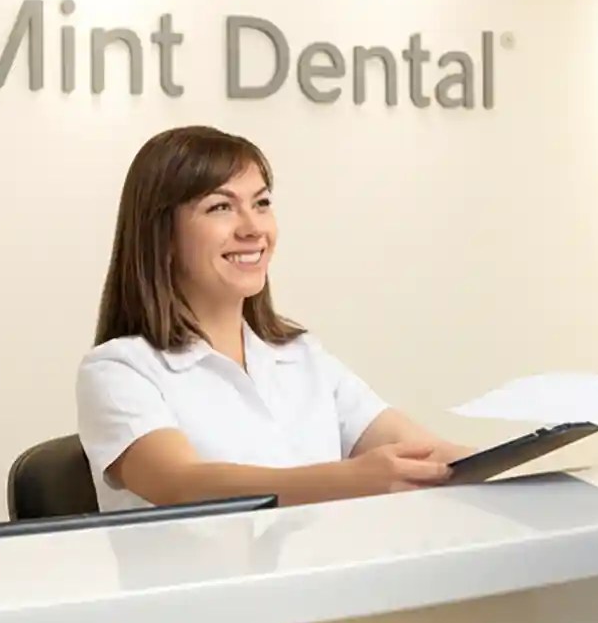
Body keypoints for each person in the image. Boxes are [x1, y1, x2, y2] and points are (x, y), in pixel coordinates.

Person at [76, 125, 471, 512]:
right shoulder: (118, 370)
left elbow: (425, 453)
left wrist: (521, 460)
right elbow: (182, 483)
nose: (253, 228)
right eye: (221, 207)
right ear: (162, 235)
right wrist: (353, 480)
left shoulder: (301, 355)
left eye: (261, 203)